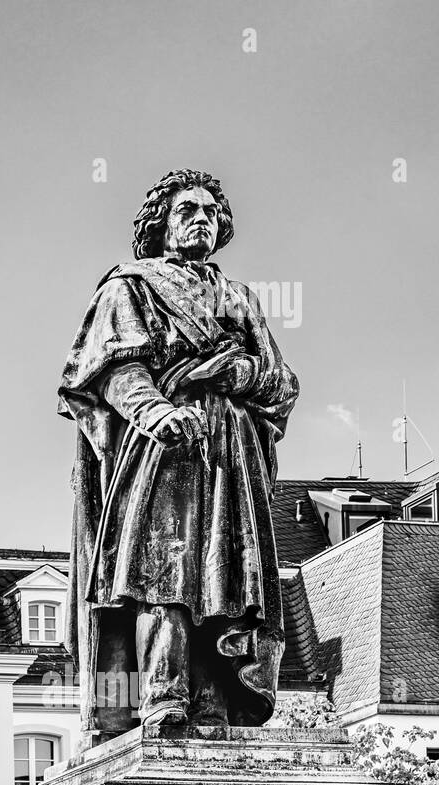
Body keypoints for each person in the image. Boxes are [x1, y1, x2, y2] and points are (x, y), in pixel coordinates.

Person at [58, 169, 299, 745]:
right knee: (158, 575)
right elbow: (113, 369)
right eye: (188, 209)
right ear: (159, 223)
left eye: (212, 214)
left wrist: (245, 371)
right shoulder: (129, 287)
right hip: (160, 454)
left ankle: (214, 700)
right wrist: (158, 413)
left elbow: (281, 384)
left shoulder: (238, 298)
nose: (201, 220)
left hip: (230, 454)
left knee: (223, 582)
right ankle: (161, 698)